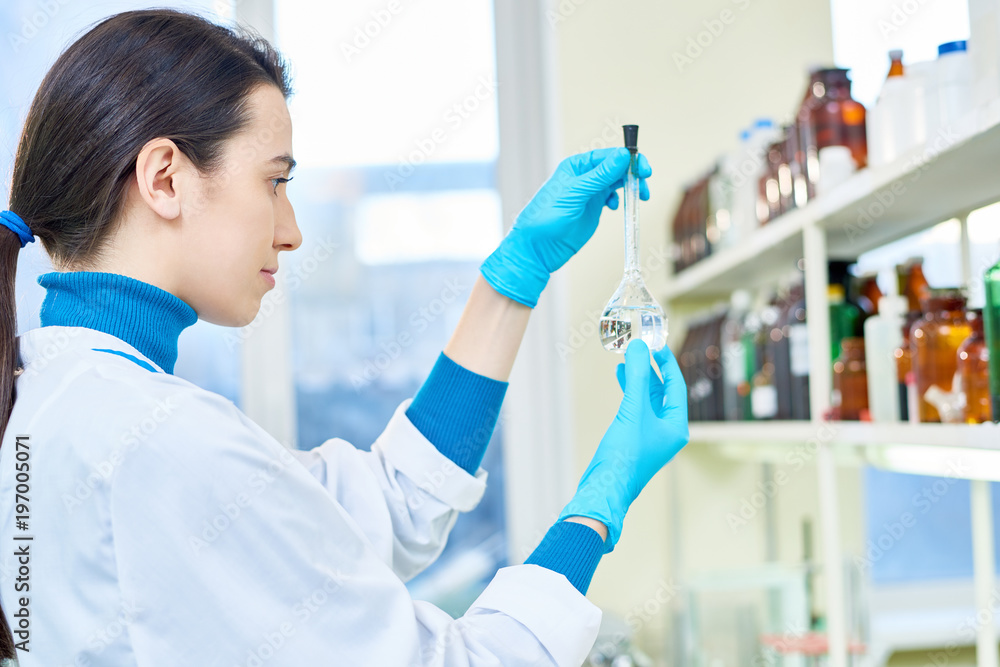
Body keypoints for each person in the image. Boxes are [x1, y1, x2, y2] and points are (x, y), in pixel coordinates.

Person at [0, 9, 688, 666]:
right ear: (165, 178)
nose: (291, 229)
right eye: (274, 181)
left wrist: (516, 274)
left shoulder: (54, 399)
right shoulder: (158, 437)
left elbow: (385, 507)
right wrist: (598, 507)